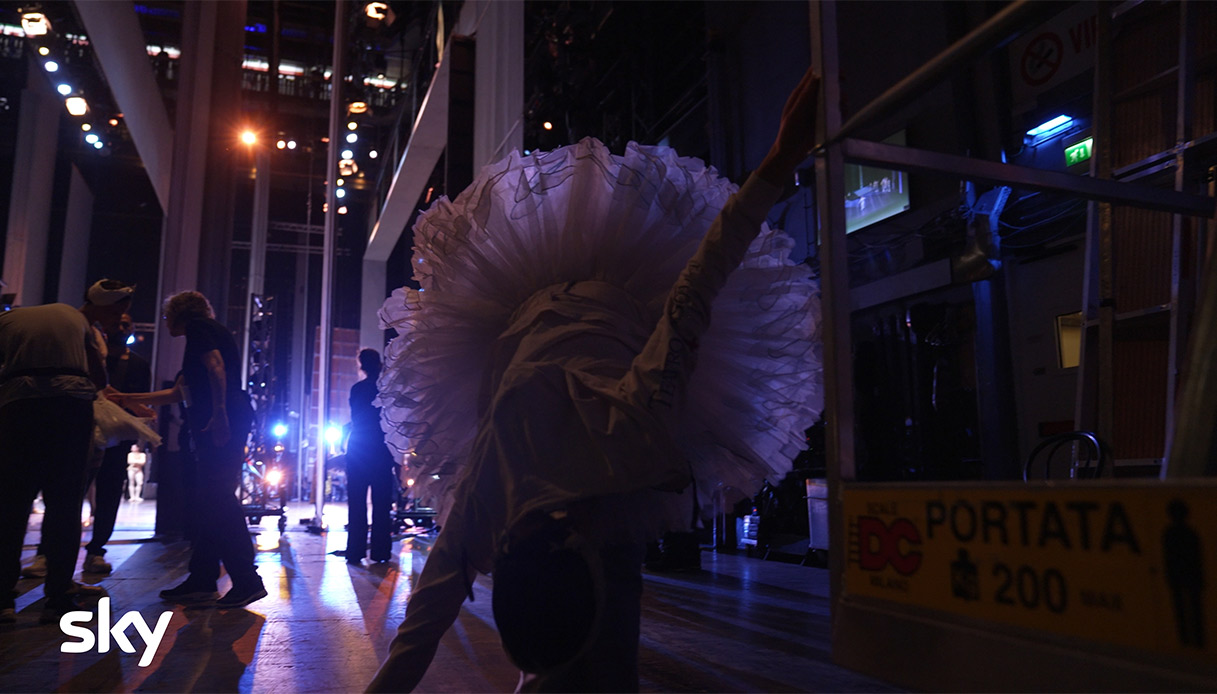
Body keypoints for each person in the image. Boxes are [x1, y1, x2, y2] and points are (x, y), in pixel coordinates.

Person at [367, 67, 822, 691]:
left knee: (607, 646)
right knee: (599, 650)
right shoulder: (573, 455)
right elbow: (694, 286)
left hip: (584, 333)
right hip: (566, 346)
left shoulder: (600, 442)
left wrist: (779, 161)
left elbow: (696, 286)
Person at [110, 291, 265, 609]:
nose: (166, 321)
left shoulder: (199, 329)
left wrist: (219, 413)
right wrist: (125, 398)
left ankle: (247, 579)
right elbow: (177, 392)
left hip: (221, 422)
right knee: (210, 498)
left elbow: (216, 368)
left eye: (167, 316)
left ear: (181, 314)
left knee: (217, 497)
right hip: (222, 420)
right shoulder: (204, 334)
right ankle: (203, 579)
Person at [0, 280, 133, 624]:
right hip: (68, 409)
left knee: (13, 504)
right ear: (101, 307)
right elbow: (98, 376)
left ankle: (2, 600)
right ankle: (58, 594)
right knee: (64, 502)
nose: (119, 318)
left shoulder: (11, 320)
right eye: (116, 311)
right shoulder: (83, 325)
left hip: (19, 409)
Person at [83, 313, 151, 574]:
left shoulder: (138, 364)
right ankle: (49, 553)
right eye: (117, 323)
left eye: (126, 325)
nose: (121, 328)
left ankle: (96, 549)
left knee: (109, 494)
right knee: (70, 493)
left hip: (117, 438)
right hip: (86, 432)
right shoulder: (92, 358)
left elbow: (139, 400)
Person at [341, 349, 398, 564]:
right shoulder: (387, 390)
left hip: (358, 448)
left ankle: (355, 551)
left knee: (357, 503)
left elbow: (358, 418)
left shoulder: (357, 389)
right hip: (380, 449)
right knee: (381, 503)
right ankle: (380, 551)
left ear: (362, 366)